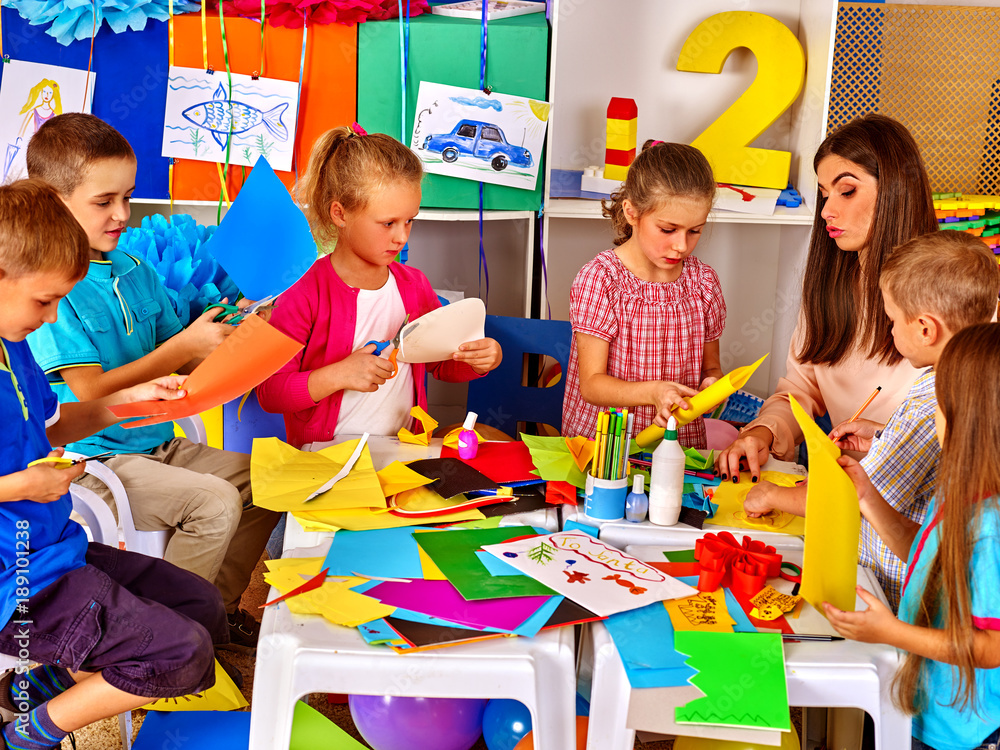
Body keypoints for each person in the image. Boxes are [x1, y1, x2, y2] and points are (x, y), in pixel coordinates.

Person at [24, 113, 277, 651]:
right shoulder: (51, 290)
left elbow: (183, 359)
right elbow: (90, 391)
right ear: (53, 198)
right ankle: (158, 640)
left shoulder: (136, 269)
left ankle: (216, 613)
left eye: (128, 197)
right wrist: (180, 349)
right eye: (103, 201)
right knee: (213, 503)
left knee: (270, 484)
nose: (122, 214)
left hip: (158, 441)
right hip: (96, 461)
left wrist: (231, 330)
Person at [0, 178, 227, 749]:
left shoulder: (13, 344)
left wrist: (124, 400)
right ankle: (25, 736)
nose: (52, 318)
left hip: (50, 550)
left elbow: (54, 425)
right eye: (44, 300)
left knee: (201, 605)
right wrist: (23, 483)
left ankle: (37, 688)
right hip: (15, 583)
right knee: (181, 652)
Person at [744, 231, 1000, 610]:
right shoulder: (957, 383)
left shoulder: (928, 402)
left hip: (888, 590)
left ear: (926, 329)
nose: (891, 329)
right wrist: (882, 436)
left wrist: (772, 495)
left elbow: (855, 497)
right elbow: (932, 456)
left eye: (893, 320)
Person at [716, 113, 938, 481]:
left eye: (847, 190)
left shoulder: (954, 296)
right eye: (823, 194)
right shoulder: (830, 287)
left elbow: (967, 430)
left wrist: (882, 440)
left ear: (898, 189)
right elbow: (799, 392)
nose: (826, 211)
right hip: (843, 491)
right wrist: (763, 431)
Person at [256, 124, 502, 447]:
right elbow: (270, 393)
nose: (401, 237)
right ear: (340, 214)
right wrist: (339, 375)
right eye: (388, 223)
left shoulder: (414, 286)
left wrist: (481, 359)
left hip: (402, 456)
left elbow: (439, 362)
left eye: (409, 220)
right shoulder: (303, 292)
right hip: (323, 463)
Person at [826, 322, 1000, 750]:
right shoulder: (957, 489)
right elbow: (919, 551)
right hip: (919, 705)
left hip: (961, 733)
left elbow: (992, 648)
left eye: (939, 405)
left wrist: (890, 632)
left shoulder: (990, 528)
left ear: (968, 417)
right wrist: (866, 495)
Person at [561, 141, 726, 447]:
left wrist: (712, 386)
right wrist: (653, 393)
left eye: (695, 231)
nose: (681, 245)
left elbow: (711, 367)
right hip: (606, 449)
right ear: (632, 213)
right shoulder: (601, 279)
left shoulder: (703, 283)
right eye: (667, 229)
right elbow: (592, 386)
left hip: (679, 446)